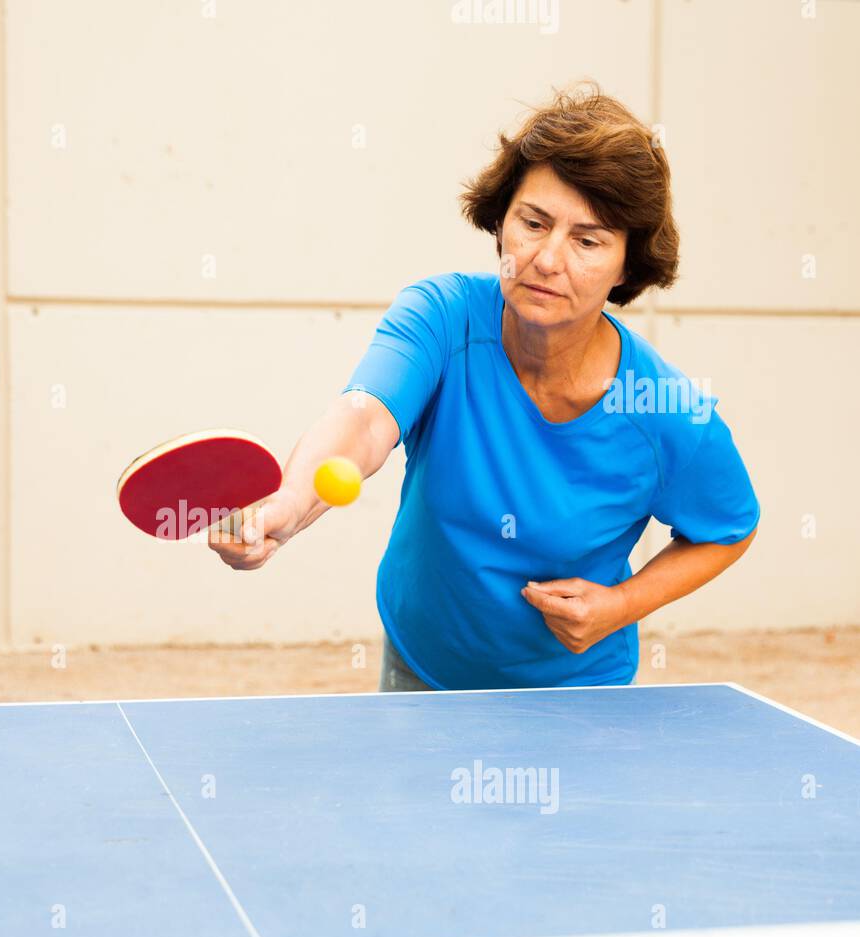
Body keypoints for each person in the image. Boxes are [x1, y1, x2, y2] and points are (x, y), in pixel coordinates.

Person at [210, 85, 759, 691]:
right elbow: (364, 419)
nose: (548, 259)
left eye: (588, 240)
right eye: (534, 222)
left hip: (574, 692)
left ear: (627, 265)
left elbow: (728, 527)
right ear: (501, 224)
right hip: (421, 660)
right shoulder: (441, 317)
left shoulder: (663, 409)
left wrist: (620, 606)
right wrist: (290, 503)